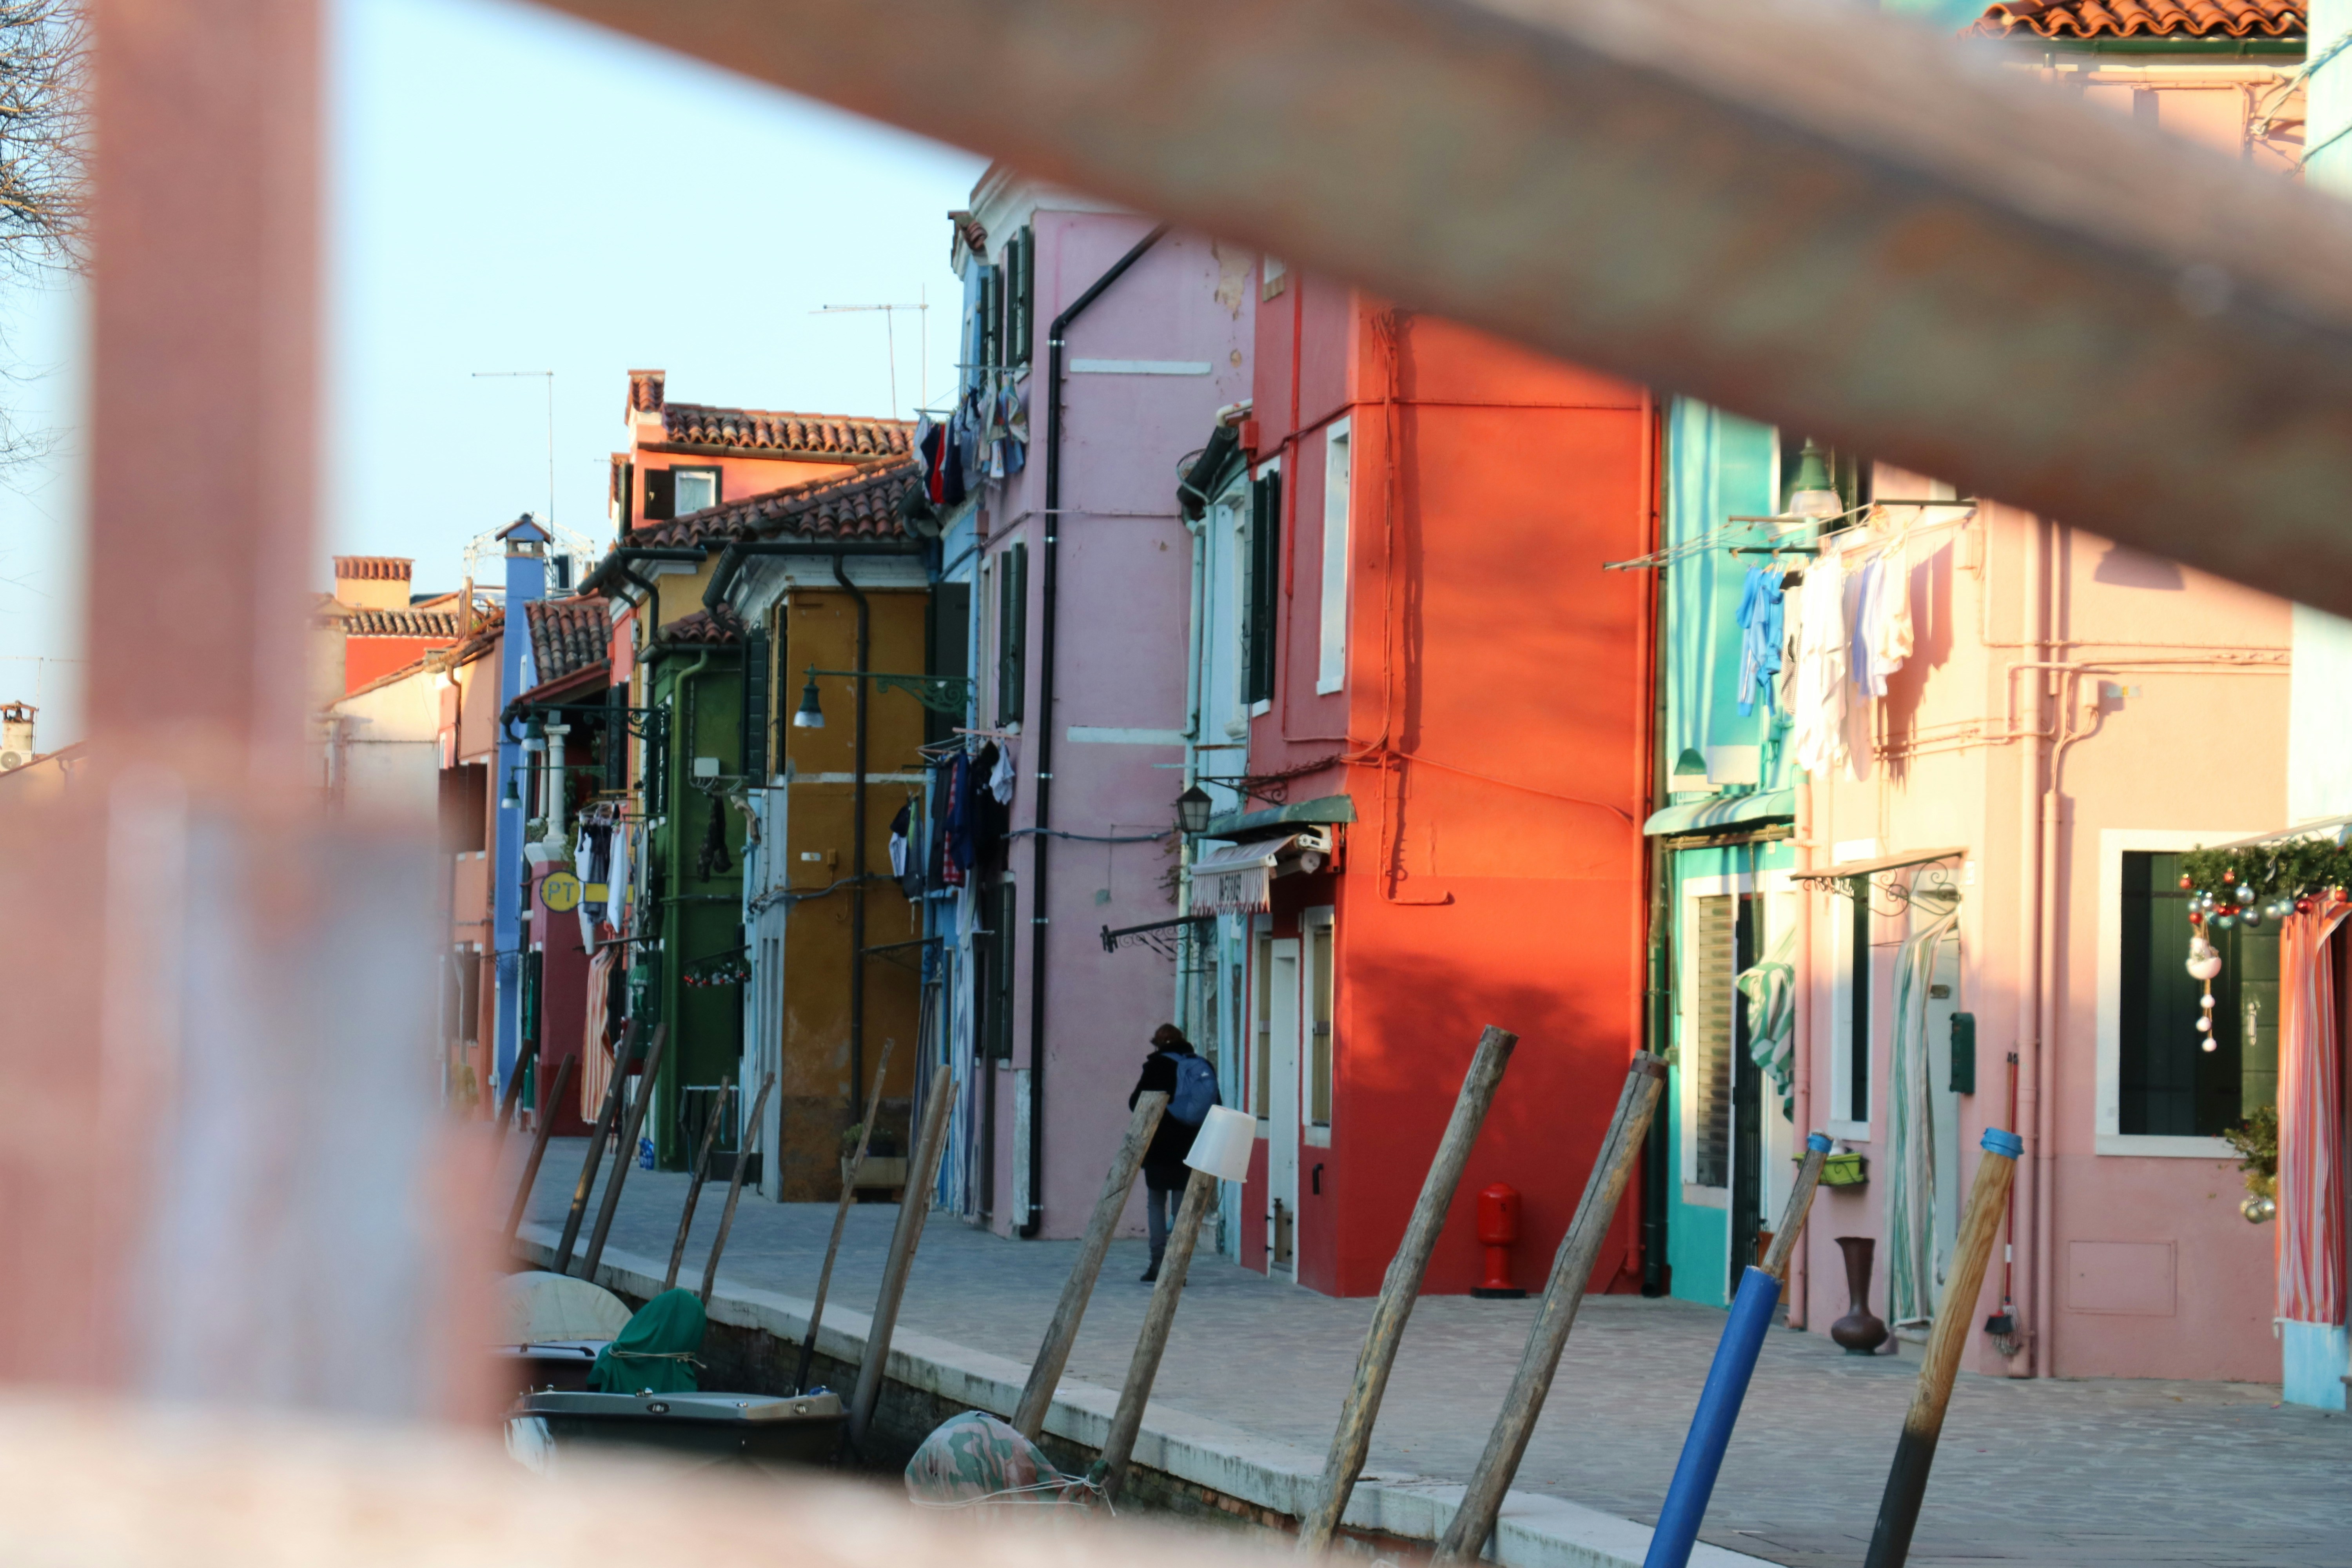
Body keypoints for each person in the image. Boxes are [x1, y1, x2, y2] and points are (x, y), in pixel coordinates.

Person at [1128, 1023, 1220, 1282]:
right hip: (1191, 1146)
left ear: (1157, 1044)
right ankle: (1178, 1268)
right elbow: (1216, 1104)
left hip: (1159, 1146)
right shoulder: (1201, 1065)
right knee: (1182, 1207)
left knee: (1156, 1202)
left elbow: (1136, 1103)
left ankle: (1158, 1263)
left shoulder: (1156, 1066)